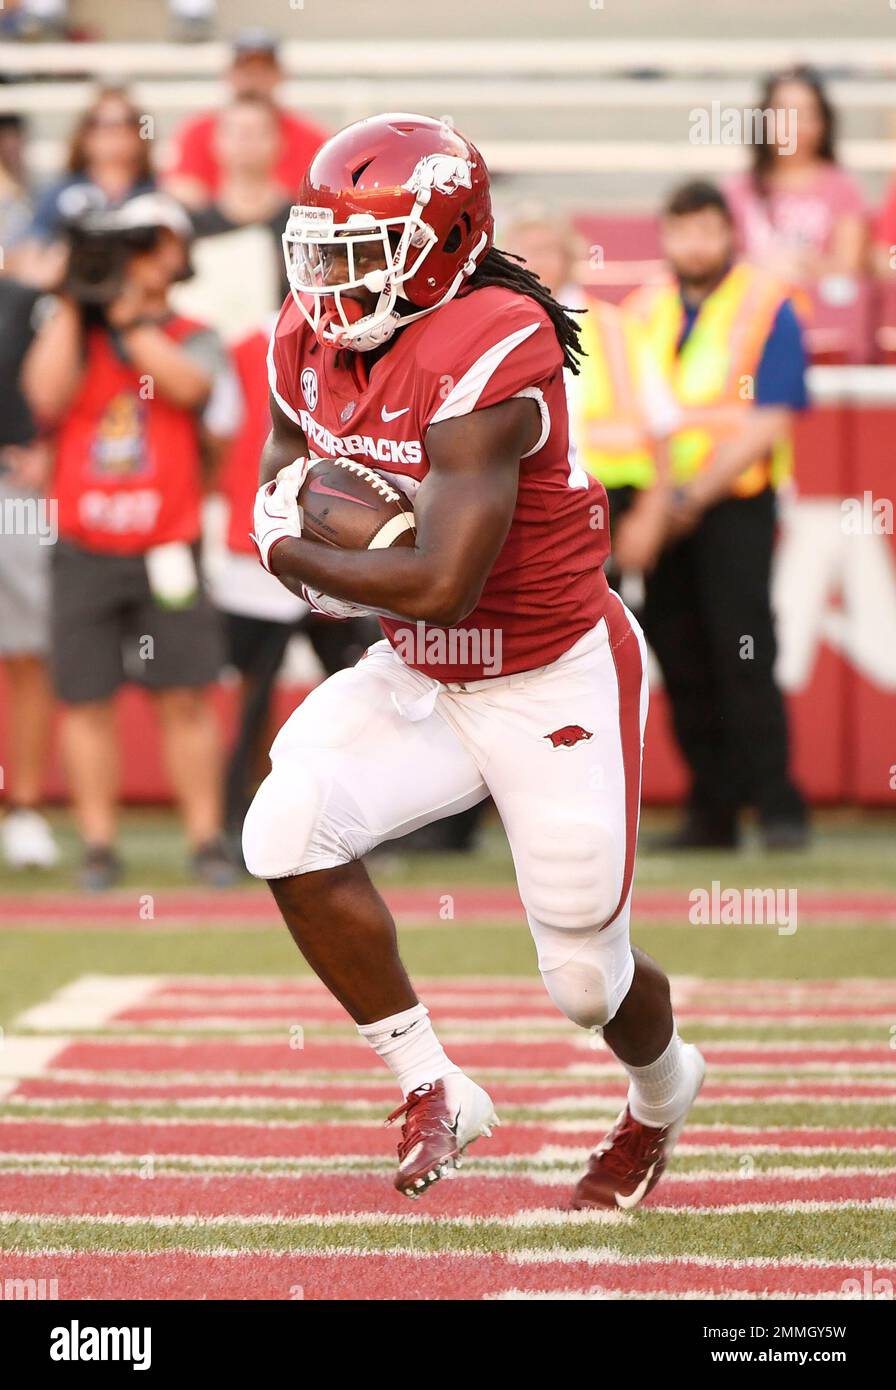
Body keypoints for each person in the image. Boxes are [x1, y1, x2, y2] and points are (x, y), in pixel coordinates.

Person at [241, 113, 705, 1210]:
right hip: (422, 671)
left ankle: (659, 1094)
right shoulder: (301, 339)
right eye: (321, 248)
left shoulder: (491, 339)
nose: (330, 280)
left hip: (549, 672)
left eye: (362, 253)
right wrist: (300, 539)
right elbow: (284, 476)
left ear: (440, 244)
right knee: (283, 828)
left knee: (587, 981)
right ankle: (429, 1083)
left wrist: (286, 551)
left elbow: (438, 578)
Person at [22, 193, 237, 891]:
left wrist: (133, 324)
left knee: (185, 696)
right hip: (84, 544)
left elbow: (193, 388)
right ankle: (98, 845)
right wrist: (70, 305)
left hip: (164, 543)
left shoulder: (191, 330)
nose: (138, 263)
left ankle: (205, 840)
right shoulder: (72, 329)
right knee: (86, 699)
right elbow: (45, 398)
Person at [624, 181, 810, 851]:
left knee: (744, 650)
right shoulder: (642, 311)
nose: (695, 245)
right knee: (680, 657)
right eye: (682, 231)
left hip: (731, 504)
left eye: (707, 230)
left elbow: (768, 419)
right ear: (665, 237)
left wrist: (689, 495)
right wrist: (660, 503)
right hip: (663, 507)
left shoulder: (766, 303)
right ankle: (714, 810)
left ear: (730, 233)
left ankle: (779, 806)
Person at [0, 273, 59, 869]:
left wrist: (50, 442)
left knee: (26, 652)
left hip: (12, 492)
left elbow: (60, 391)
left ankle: (24, 809)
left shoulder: (24, 298)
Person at [723, 66, 866, 284]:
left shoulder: (843, 188)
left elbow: (849, 269)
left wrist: (807, 265)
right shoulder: (735, 190)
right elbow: (720, 264)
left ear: (823, 124)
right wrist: (764, 267)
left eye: (804, 114)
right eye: (782, 112)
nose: (791, 125)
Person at [163, 29, 327, 212]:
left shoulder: (311, 136)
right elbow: (181, 189)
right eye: (247, 70)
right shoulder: (196, 130)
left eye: (264, 70)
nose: (254, 79)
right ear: (230, 75)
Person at [13, 86, 155, 288]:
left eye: (127, 123)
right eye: (101, 124)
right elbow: (27, 250)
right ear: (85, 135)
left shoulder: (155, 198)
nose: (115, 133)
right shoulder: (60, 195)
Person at [190, 94, 295, 304]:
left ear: (279, 141)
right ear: (216, 141)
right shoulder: (195, 227)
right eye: (237, 132)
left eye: (258, 132)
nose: (247, 141)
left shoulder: (299, 225)